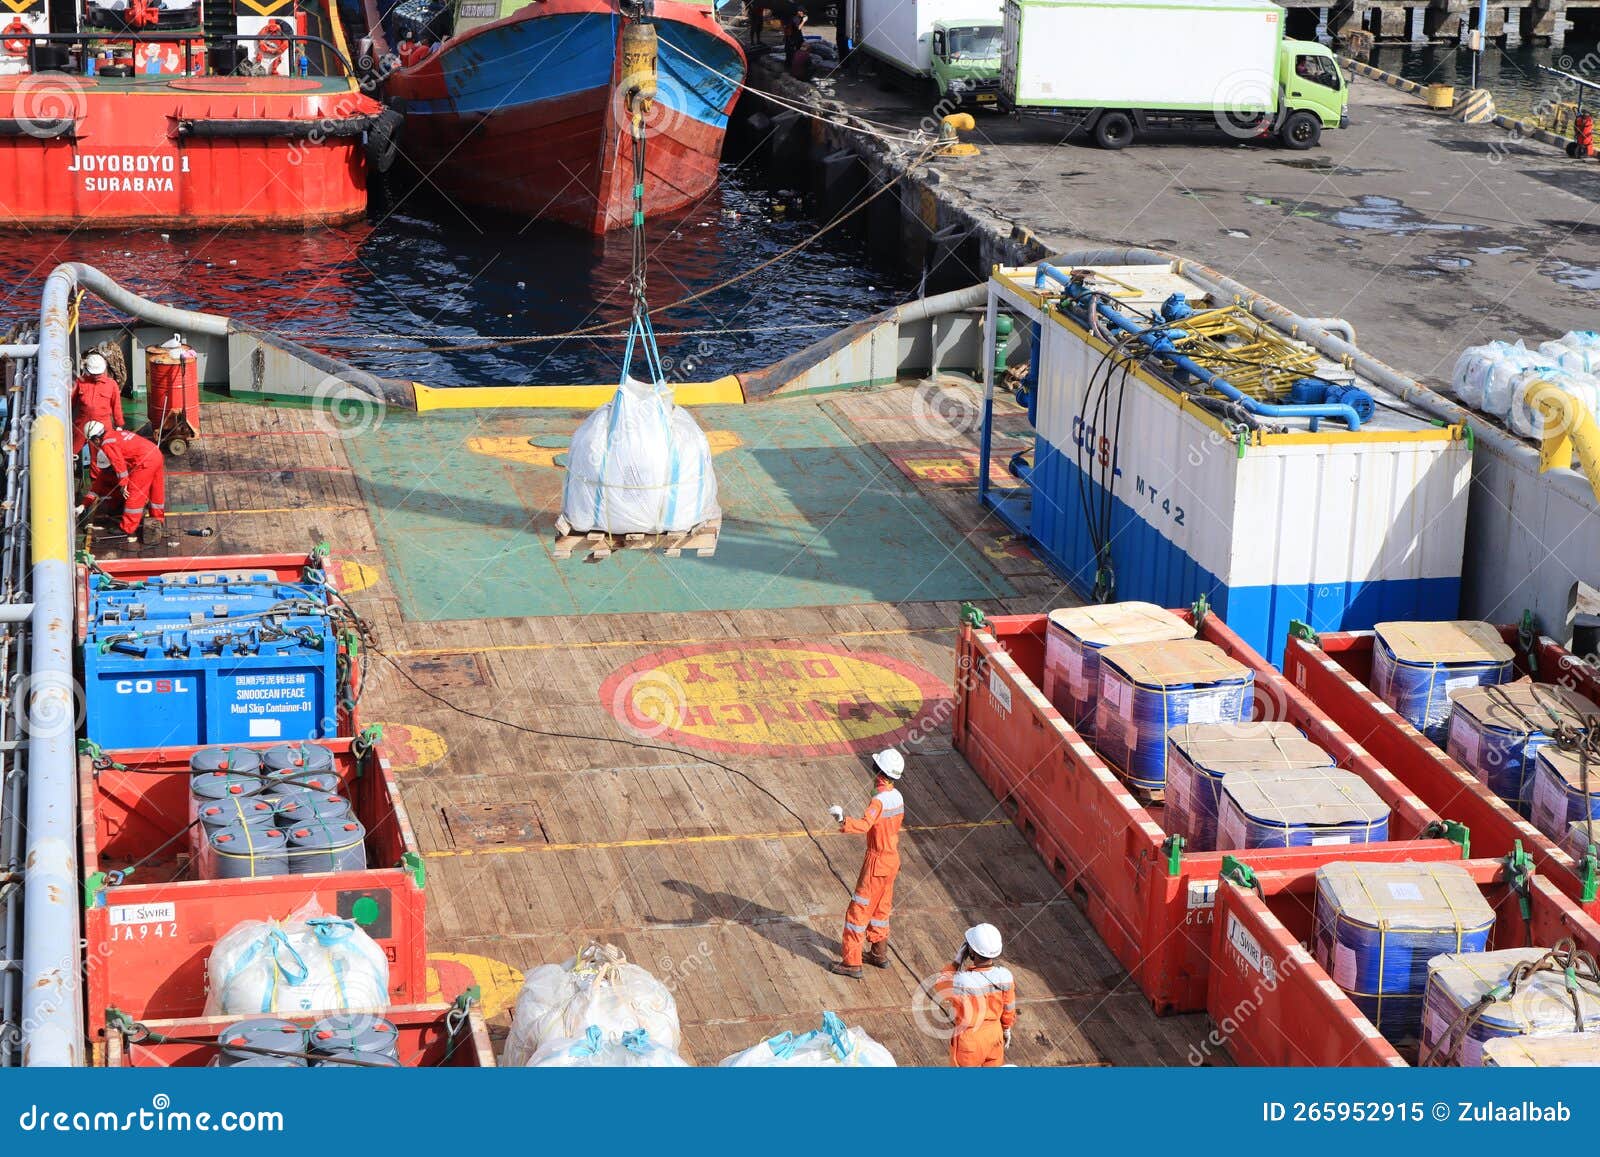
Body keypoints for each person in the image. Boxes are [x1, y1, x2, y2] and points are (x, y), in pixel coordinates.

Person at [827, 748, 904, 979]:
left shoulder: (878, 801)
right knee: (881, 908)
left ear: (878, 771)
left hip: (877, 860)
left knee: (858, 912)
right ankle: (879, 954)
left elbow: (864, 825)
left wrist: (842, 819)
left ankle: (852, 963)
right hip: (892, 860)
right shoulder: (898, 797)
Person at [934, 923, 1017, 1067]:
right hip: (994, 1035)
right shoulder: (1005, 976)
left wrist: (956, 961)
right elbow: (1008, 1008)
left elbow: (940, 985)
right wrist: (1006, 1029)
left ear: (971, 951)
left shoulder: (962, 981)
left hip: (970, 1039)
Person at [80, 421, 166, 543]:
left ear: (96, 439)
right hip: (155, 453)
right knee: (156, 490)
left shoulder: (107, 444)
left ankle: (127, 527)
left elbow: (118, 463)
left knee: (134, 494)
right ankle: (158, 519)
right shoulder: (115, 434)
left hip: (144, 461)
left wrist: (124, 484)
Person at [72, 352, 124, 456]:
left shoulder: (112, 384)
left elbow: (116, 406)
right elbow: (71, 402)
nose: (96, 376)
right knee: (73, 450)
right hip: (82, 422)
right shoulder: (80, 382)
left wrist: (119, 425)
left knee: (103, 453)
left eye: (98, 373)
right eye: (94, 374)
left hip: (104, 424)